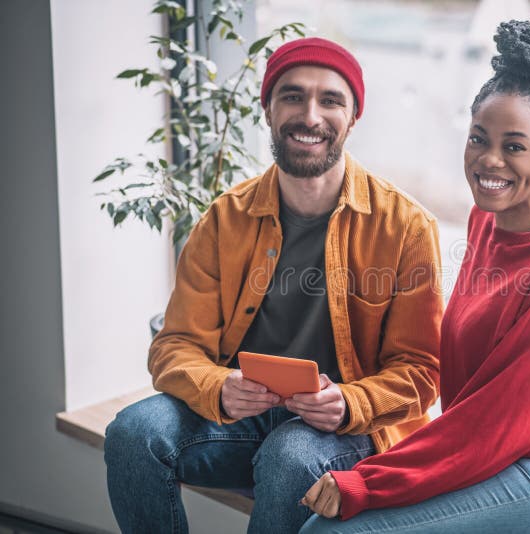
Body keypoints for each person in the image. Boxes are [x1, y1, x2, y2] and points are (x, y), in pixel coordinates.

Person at [299, 14, 530, 534]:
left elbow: (502, 418)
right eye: (478, 139)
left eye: (514, 146)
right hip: (506, 453)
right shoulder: (485, 221)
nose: (489, 161)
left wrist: (369, 482)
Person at [103, 37, 444, 534]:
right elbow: (175, 346)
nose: (310, 115)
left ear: (353, 119)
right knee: (132, 433)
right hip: (241, 419)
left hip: (346, 431)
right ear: (267, 109)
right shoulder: (225, 218)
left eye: (330, 100)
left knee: (291, 454)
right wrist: (218, 388)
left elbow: (420, 372)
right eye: (292, 96)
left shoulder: (406, 226)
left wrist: (350, 402)